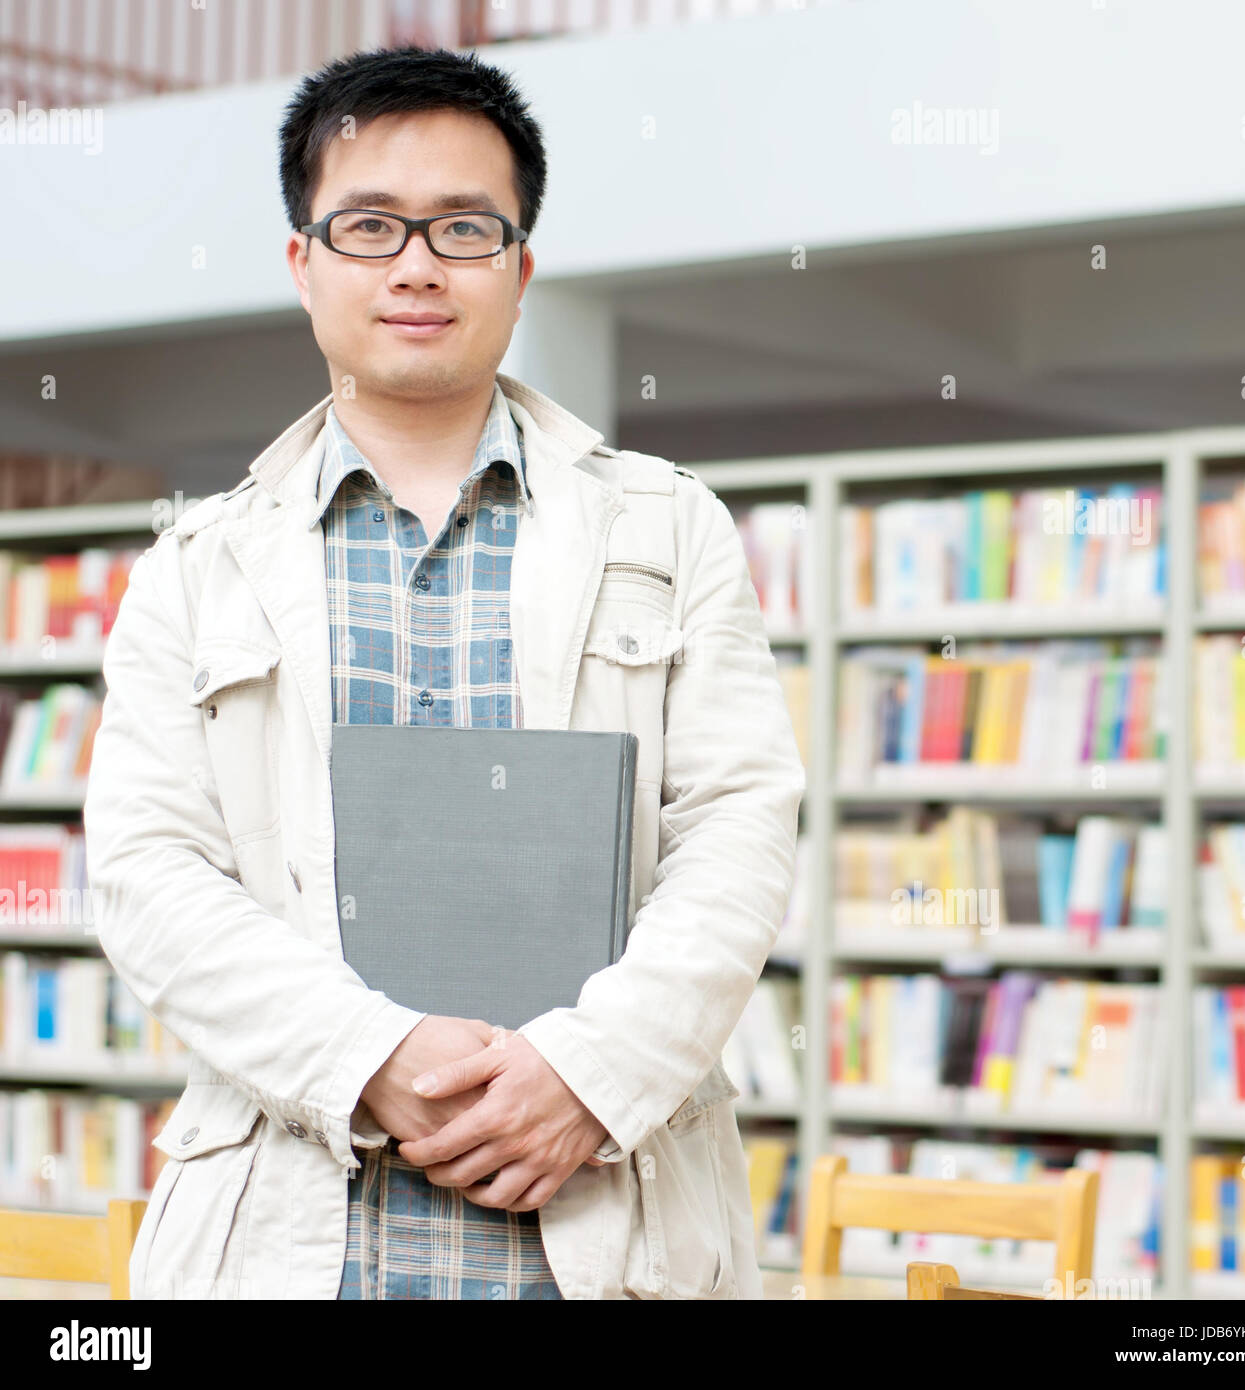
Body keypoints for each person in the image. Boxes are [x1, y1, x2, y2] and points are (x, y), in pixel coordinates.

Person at [83, 44, 804, 1301]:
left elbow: (738, 828)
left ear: (520, 268)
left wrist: (590, 1073)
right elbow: (148, 875)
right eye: (369, 226)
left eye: (463, 228)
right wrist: (374, 1054)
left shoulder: (667, 525)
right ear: (303, 262)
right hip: (290, 1233)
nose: (416, 263)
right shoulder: (193, 566)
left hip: (602, 1218)